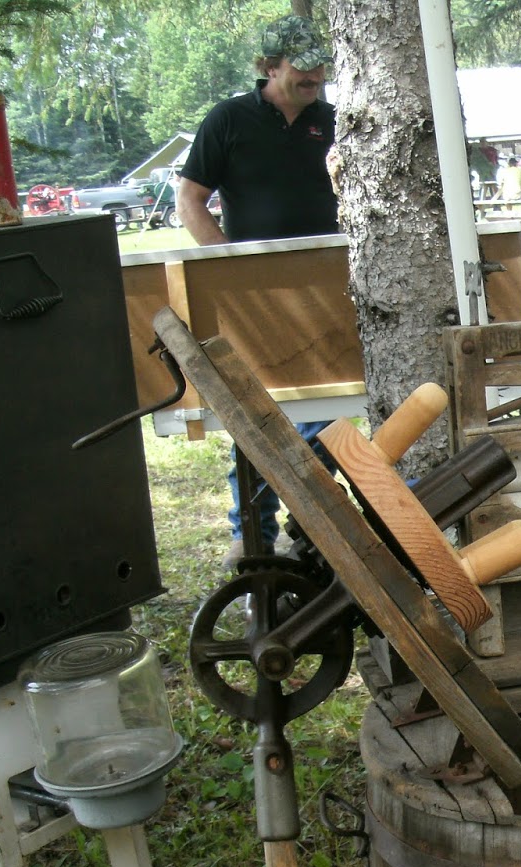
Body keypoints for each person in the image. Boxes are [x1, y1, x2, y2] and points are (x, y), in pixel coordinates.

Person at [177, 15, 340, 569]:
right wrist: (227, 265)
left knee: (328, 411)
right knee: (254, 410)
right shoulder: (228, 119)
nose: (316, 73)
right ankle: (250, 532)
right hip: (252, 294)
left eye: (321, 63)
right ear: (271, 66)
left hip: (324, 289)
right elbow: (190, 200)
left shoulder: (334, 121)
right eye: (303, 64)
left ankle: (310, 524)